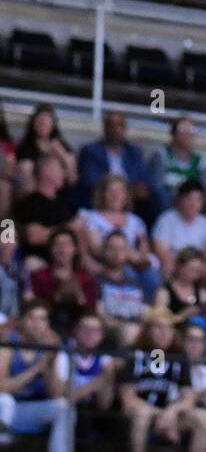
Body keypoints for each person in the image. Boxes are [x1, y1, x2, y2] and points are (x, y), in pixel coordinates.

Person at [118, 310, 206, 452]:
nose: (164, 333)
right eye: (158, 328)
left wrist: (172, 411)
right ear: (148, 331)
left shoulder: (179, 357)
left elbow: (189, 398)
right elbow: (128, 398)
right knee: (142, 414)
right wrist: (160, 414)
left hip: (170, 417)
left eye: (168, 329)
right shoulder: (134, 354)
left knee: (203, 418)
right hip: (139, 414)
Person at [0, 299, 72, 452]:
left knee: (64, 407)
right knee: (5, 401)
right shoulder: (8, 344)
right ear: (22, 321)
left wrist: (50, 362)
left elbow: (56, 393)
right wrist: (36, 369)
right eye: (32, 318)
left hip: (29, 411)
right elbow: (1, 387)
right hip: (5, 409)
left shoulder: (53, 348)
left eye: (42, 319)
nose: (37, 324)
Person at [76, 173, 159, 301]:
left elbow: (144, 251)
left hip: (133, 264)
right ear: (103, 194)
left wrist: (136, 257)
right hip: (106, 264)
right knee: (128, 274)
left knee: (151, 275)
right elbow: (97, 249)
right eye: (111, 190)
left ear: (126, 195)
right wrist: (127, 255)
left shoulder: (135, 220)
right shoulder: (91, 217)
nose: (116, 195)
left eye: (120, 191)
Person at [29, 227, 99, 338]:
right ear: (50, 249)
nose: (62, 249)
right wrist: (56, 297)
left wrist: (80, 300)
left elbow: (92, 312)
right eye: (57, 244)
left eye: (67, 245)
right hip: (47, 330)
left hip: (79, 333)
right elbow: (34, 307)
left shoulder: (86, 279)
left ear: (75, 249)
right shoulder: (39, 276)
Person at [76, 111, 151, 212]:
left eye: (119, 125)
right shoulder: (91, 151)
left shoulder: (134, 152)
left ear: (125, 129)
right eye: (111, 125)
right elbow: (90, 180)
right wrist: (116, 190)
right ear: (105, 128)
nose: (115, 129)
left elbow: (143, 178)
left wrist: (132, 190)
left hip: (130, 198)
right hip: (102, 196)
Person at [12, 154, 76, 265]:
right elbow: (33, 236)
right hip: (42, 263)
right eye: (60, 169)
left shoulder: (62, 202)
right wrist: (67, 229)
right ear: (47, 172)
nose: (63, 174)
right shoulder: (31, 203)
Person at [147, 116, 206, 217]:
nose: (187, 134)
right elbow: (156, 188)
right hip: (165, 211)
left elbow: (205, 190)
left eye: (191, 130)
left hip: (191, 213)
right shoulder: (161, 155)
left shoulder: (200, 162)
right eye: (182, 129)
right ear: (173, 133)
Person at [13, 103, 77, 192]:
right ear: (33, 123)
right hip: (31, 190)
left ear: (53, 125)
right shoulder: (25, 145)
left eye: (46, 122)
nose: (43, 124)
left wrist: (61, 154)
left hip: (56, 190)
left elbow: (72, 178)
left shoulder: (61, 145)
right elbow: (18, 174)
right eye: (40, 121)